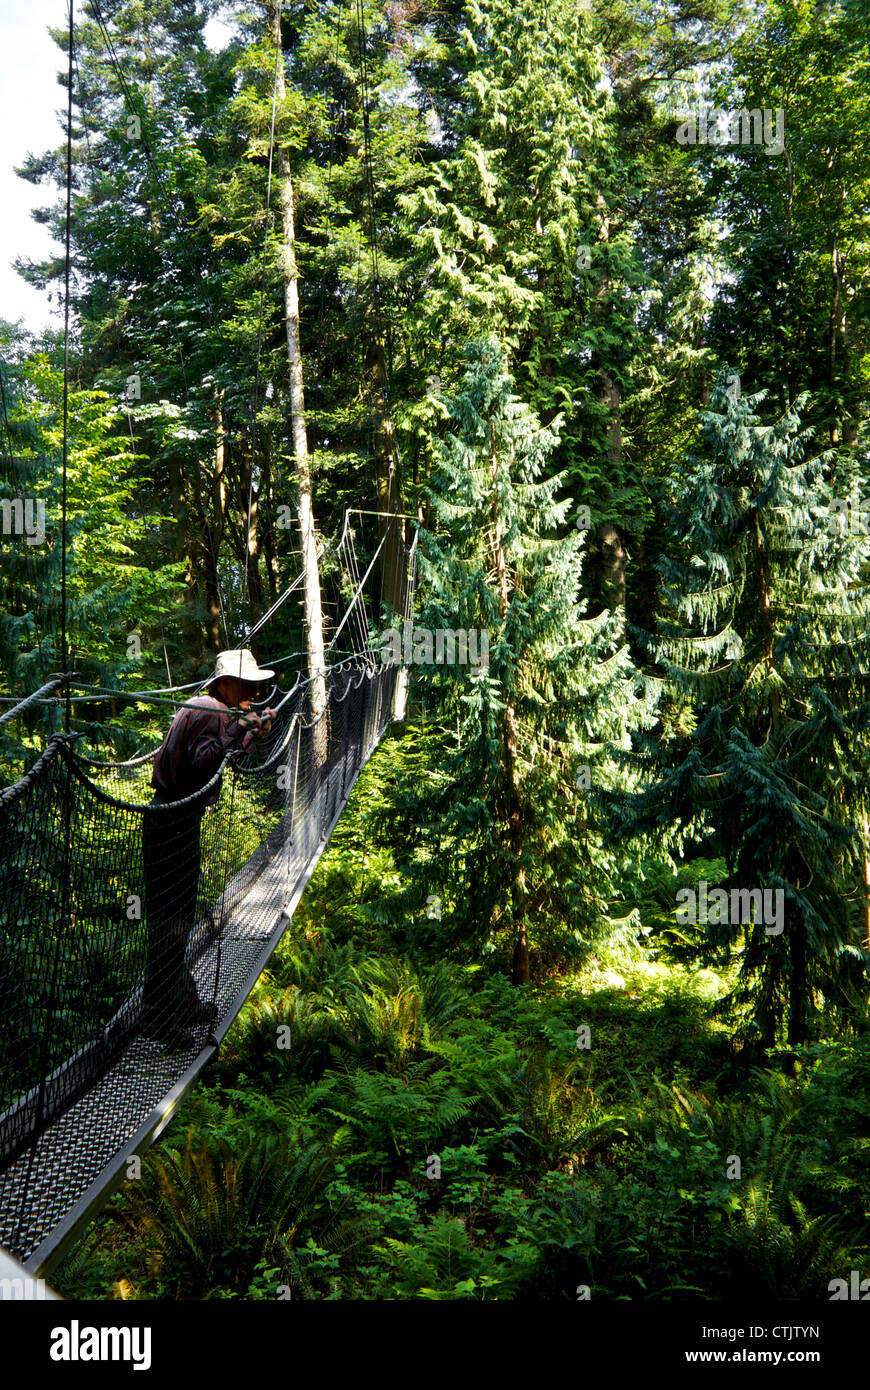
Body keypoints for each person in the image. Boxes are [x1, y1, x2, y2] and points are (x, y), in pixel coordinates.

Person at [139, 648, 277, 1050]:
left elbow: (223, 755)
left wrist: (252, 730)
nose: (255, 691)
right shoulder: (210, 710)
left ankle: (179, 1002)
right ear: (226, 683)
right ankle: (159, 1017)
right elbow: (204, 762)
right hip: (172, 824)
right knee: (169, 922)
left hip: (173, 820)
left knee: (175, 919)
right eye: (248, 685)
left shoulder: (214, 708)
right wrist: (239, 727)